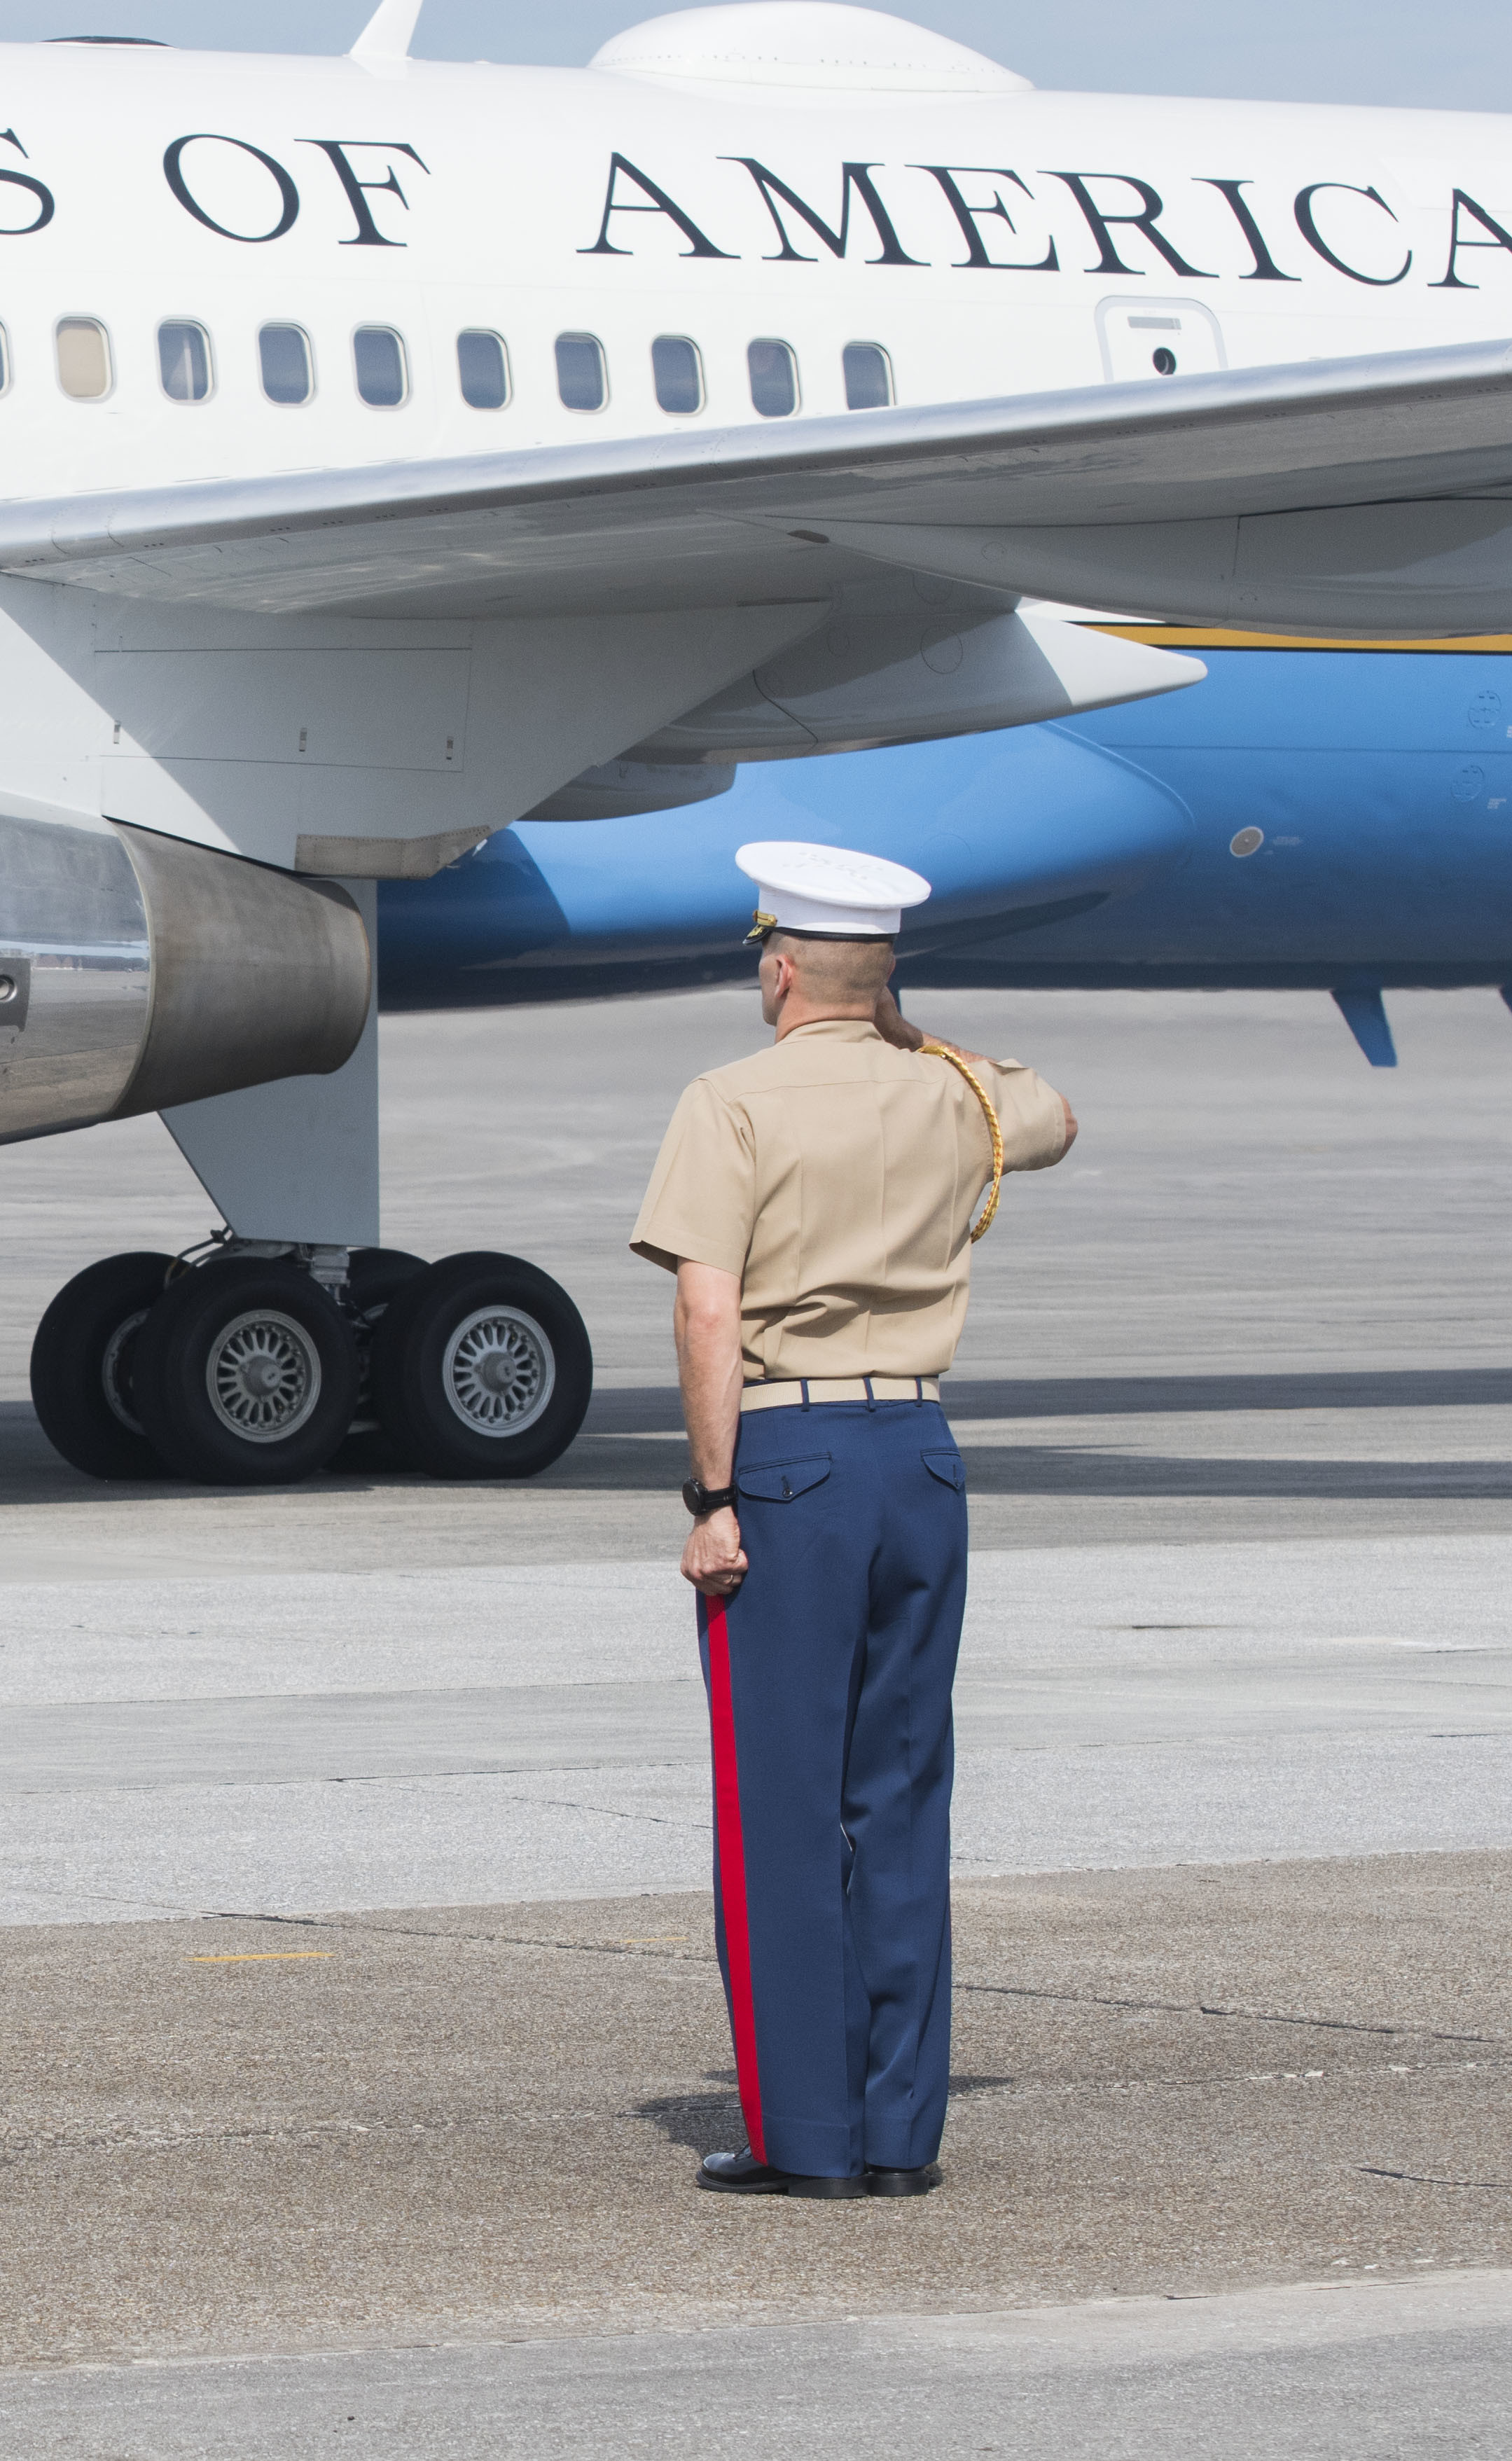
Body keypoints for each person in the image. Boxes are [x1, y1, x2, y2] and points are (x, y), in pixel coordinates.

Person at [627, 842, 1079, 2202]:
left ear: (777, 971)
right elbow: (1053, 1111)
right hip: (918, 1454)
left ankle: (804, 2138)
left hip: (790, 1458)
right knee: (900, 1798)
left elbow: (707, 1304)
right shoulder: (948, 1093)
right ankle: (897, 2133)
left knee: (778, 1806)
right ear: (877, 976)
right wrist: (904, 1027)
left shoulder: (730, 1100)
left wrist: (712, 1499)